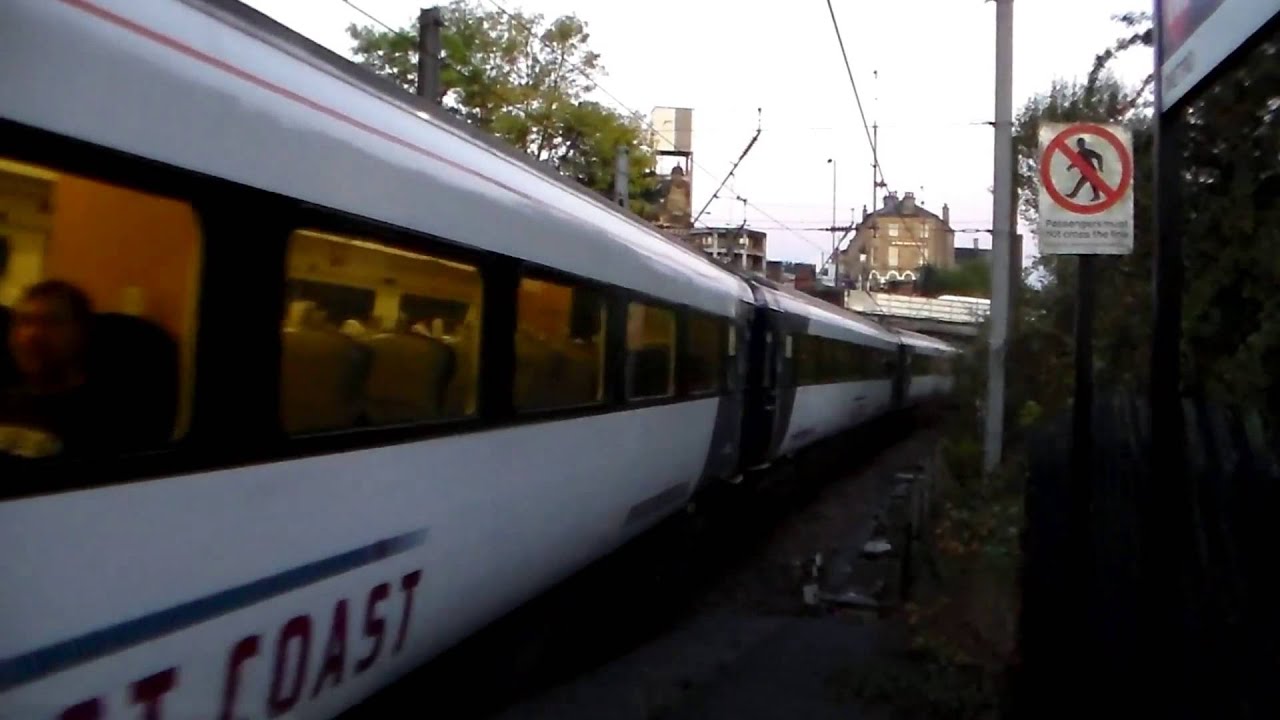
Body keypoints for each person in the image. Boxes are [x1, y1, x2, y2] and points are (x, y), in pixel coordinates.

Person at [0, 280, 103, 458]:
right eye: (24, 321)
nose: (31, 335)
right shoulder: (4, 400)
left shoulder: (101, 415)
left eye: (51, 322)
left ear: (81, 333)